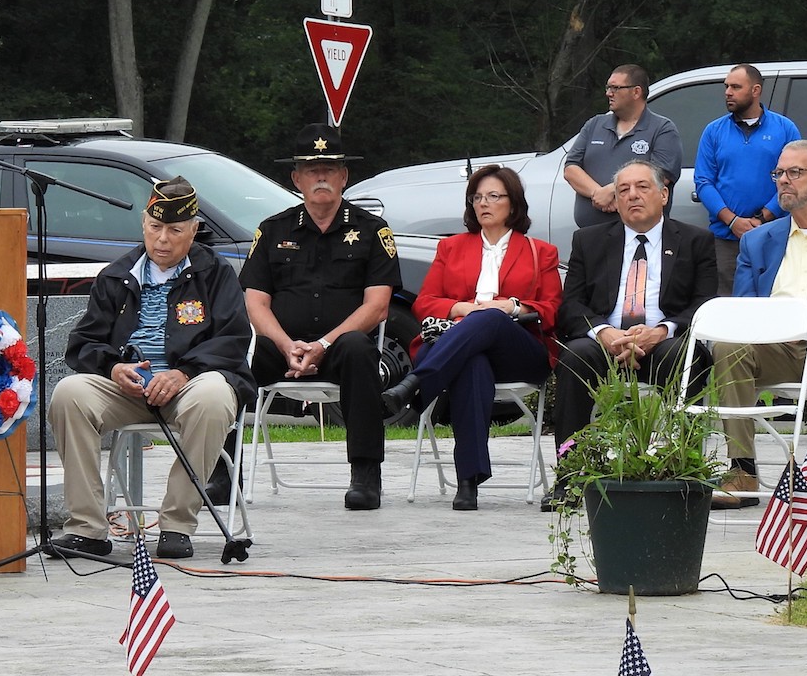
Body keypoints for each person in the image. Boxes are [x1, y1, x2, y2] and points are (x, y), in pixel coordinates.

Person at [47, 177, 251, 561]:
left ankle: (176, 524)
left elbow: (233, 340)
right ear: (143, 223)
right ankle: (87, 529)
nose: (162, 239)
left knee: (212, 396)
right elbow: (83, 343)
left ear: (193, 232)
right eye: (155, 227)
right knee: (69, 394)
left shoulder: (215, 272)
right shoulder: (117, 275)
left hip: (188, 387)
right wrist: (113, 368)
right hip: (129, 390)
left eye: (175, 230)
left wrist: (183, 373)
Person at [378, 166, 562, 511]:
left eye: (494, 196)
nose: (484, 204)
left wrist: (511, 306)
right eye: (477, 197)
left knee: (490, 317)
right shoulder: (451, 247)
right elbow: (425, 303)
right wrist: (464, 307)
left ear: (513, 203)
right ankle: (468, 480)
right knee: (473, 360)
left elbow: (552, 310)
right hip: (461, 348)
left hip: (518, 349)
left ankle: (418, 382)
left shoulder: (541, 251)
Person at [240, 123, 402, 510]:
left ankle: (365, 475)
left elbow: (377, 305)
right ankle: (221, 474)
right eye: (312, 170)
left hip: (341, 351)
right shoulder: (272, 230)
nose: (321, 177)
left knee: (361, 350)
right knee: (231, 359)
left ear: (344, 176)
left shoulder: (372, 230)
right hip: (282, 350)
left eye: (329, 169)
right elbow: (255, 302)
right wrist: (285, 345)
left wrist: (323, 344)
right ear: (296, 178)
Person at [707, 139, 807, 511]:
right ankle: (742, 468)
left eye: (795, 172)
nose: (783, 180)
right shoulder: (757, 241)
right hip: (773, 348)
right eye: (779, 173)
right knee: (728, 345)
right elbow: (745, 308)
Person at [548, 159, 719, 509]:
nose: (632, 196)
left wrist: (661, 330)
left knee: (683, 356)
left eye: (642, 187)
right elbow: (571, 305)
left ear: (664, 194)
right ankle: (571, 475)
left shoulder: (695, 241)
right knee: (576, 356)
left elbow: (705, 303)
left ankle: (683, 472)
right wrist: (604, 331)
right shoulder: (589, 241)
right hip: (605, 343)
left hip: (664, 342)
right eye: (623, 190)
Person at [694, 64, 801, 293]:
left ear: (755, 90)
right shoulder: (713, 131)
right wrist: (733, 221)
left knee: (774, 296)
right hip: (725, 236)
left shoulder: (785, 129)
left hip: (774, 233)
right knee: (727, 302)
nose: (728, 92)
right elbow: (704, 181)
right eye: (726, 87)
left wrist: (762, 219)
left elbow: (794, 176)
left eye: (735, 87)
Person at [562, 64, 682, 228]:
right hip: (591, 236)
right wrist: (598, 193)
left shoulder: (662, 129)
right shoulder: (594, 124)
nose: (608, 93)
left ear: (636, 92)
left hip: (638, 235)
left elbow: (661, 175)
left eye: (615, 88)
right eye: (608, 87)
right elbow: (571, 168)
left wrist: (614, 191)